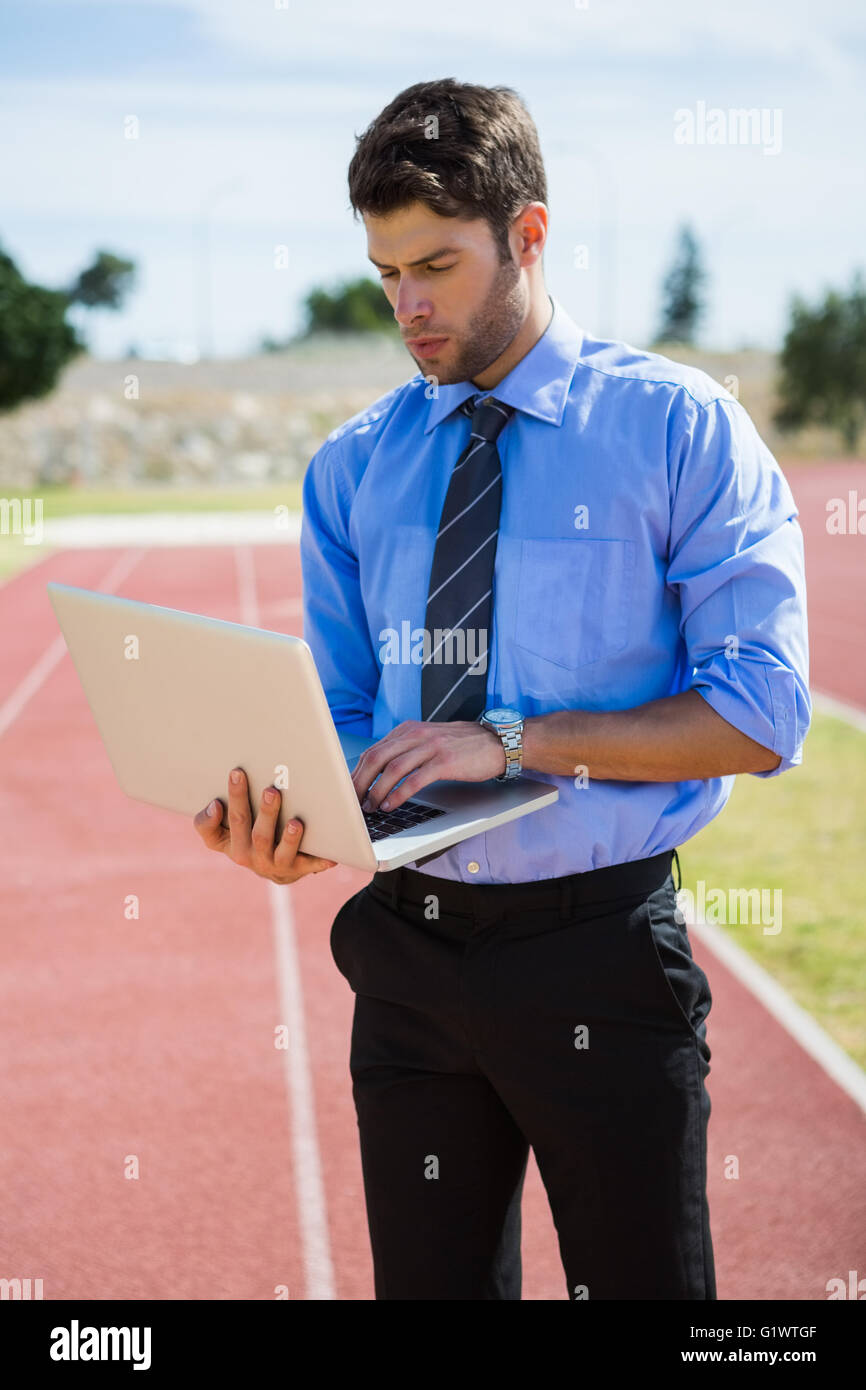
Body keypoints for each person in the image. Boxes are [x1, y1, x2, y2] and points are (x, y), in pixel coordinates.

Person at [194, 78, 810, 1300]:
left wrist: (510, 736)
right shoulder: (352, 468)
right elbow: (349, 724)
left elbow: (757, 712)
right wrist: (295, 827)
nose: (407, 306)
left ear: (528, 234)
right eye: (384, 274)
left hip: (600, 957)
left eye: (436, 264)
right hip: (407, 961)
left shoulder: (677, 428)